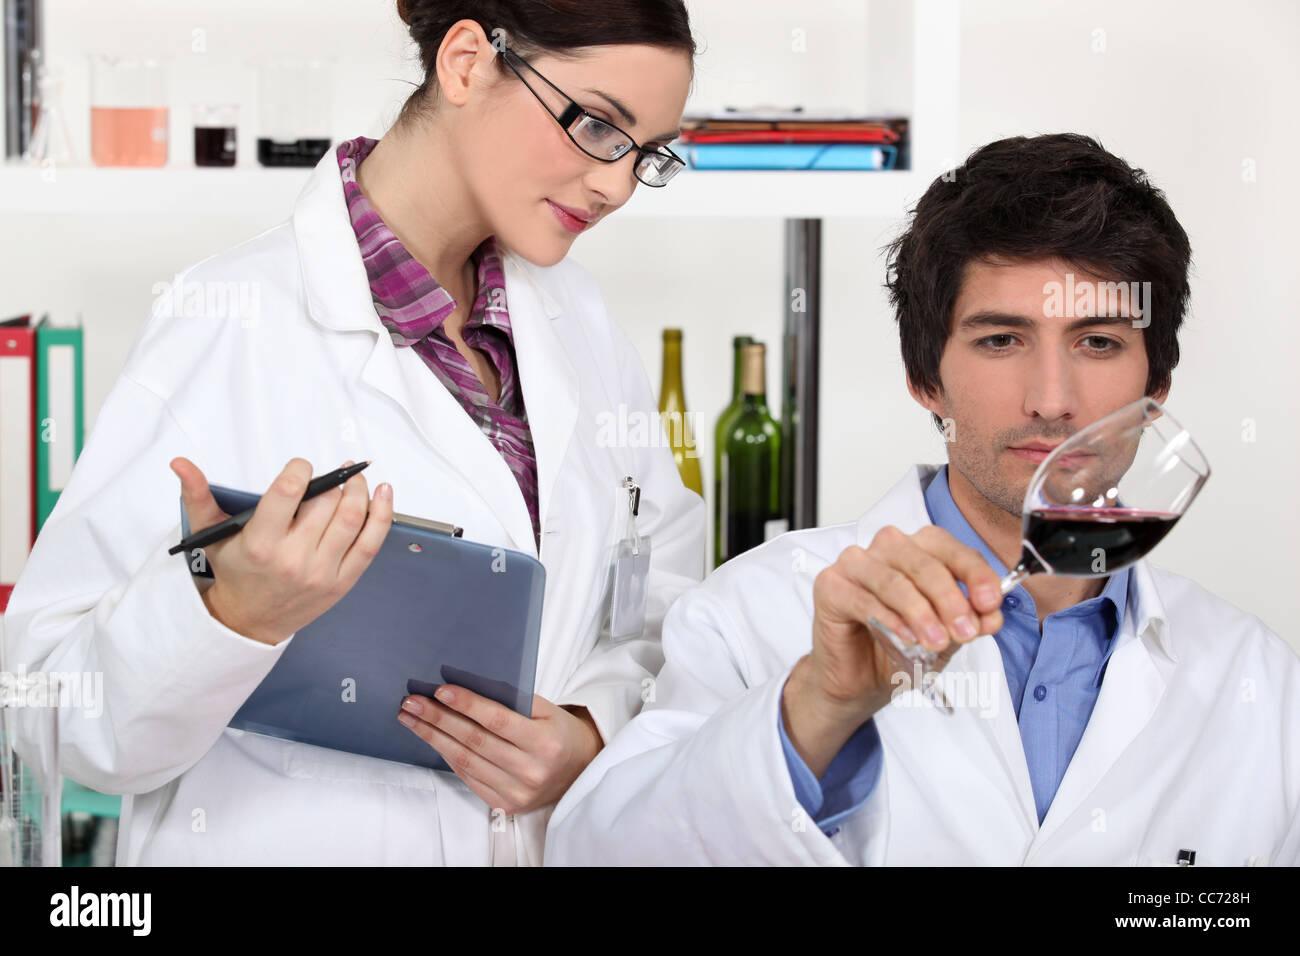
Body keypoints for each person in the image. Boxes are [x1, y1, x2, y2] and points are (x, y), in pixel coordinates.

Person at [3, 0, 705, 865]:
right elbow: (46, 705)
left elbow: (668, 601)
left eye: (650, 154)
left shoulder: (578, 322)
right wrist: (224, 617)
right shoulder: (231, 320)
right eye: (599, 126)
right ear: (464, 63)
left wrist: (592, 734)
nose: (616, 185)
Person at [544, 133, 1300, 866]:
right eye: (1002, 340)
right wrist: (816, 706)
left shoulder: (1256, 679)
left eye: (1098, 343)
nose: (1052, 400)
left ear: (1155, 388)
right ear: (924, 378)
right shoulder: (752, 613)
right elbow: (595, 854)